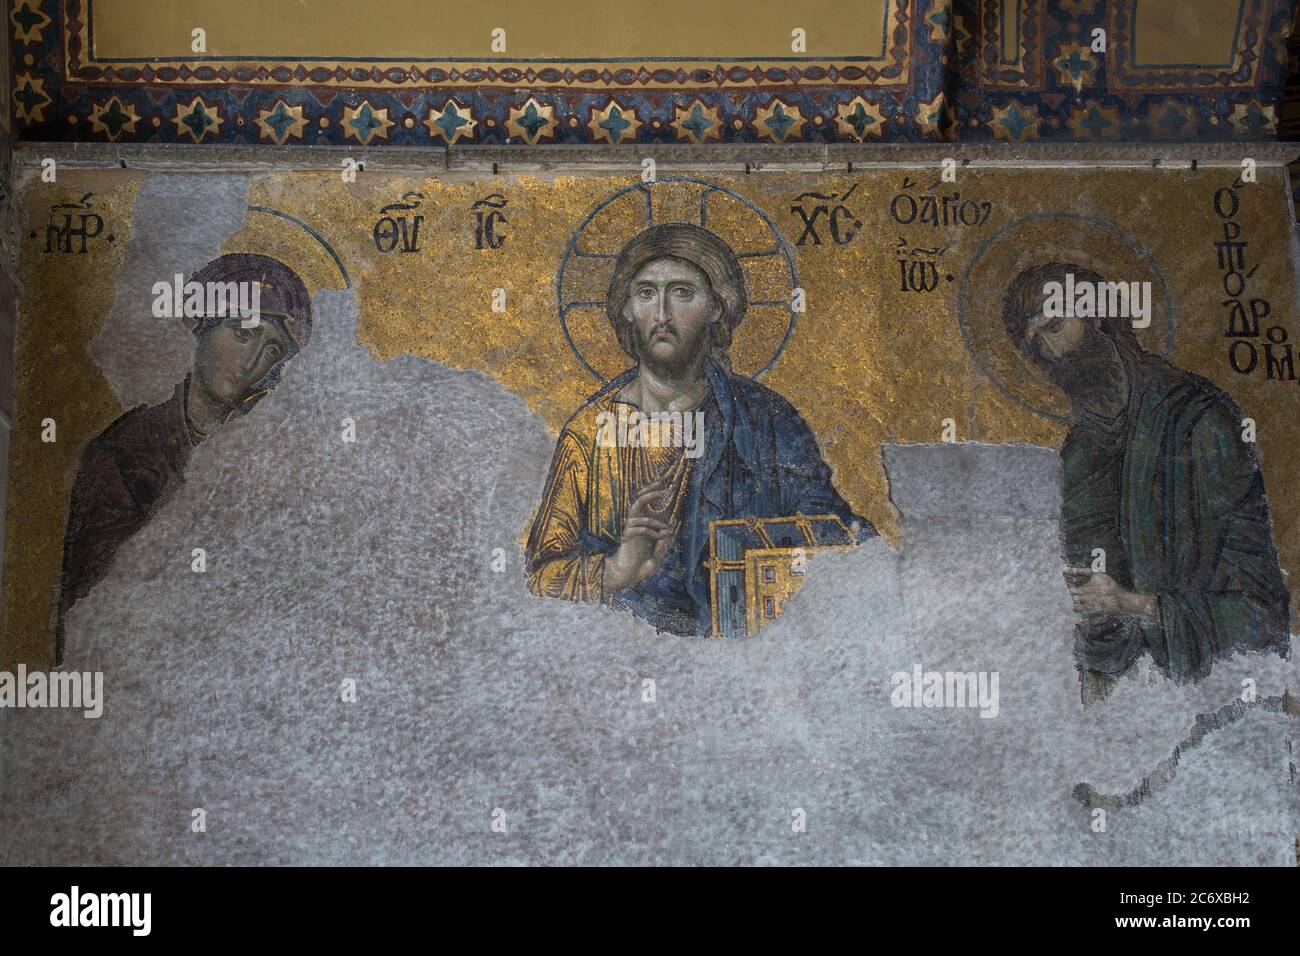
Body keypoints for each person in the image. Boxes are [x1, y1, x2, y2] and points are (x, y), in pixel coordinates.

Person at [526, 223, 871, 635]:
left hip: (745, 651)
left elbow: (838, 538)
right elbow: (539, 577)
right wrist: (619, 569)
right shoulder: (589, 435)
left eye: (682, 293)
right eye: (646, 293)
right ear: (626, 308)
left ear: (717, 306)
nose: (662, 315)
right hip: (625, 651)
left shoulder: (765, 421)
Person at [1001, 261, 1290, 686]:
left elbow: (1262, 618)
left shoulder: (1197, 421)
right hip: (1123, 696)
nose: (1053, 353)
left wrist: (1134, 605)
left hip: (1215, 691)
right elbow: (1088, 600)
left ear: (1097, 313)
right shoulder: (1081, 451)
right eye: (1036, 344)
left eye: (1056, 325)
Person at [54, 253, 312, 664]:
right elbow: (86, 598)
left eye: (272, 349)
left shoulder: (257, 453)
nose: (250, 363)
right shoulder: (127, 451)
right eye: (243, 333)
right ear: (204, 327)